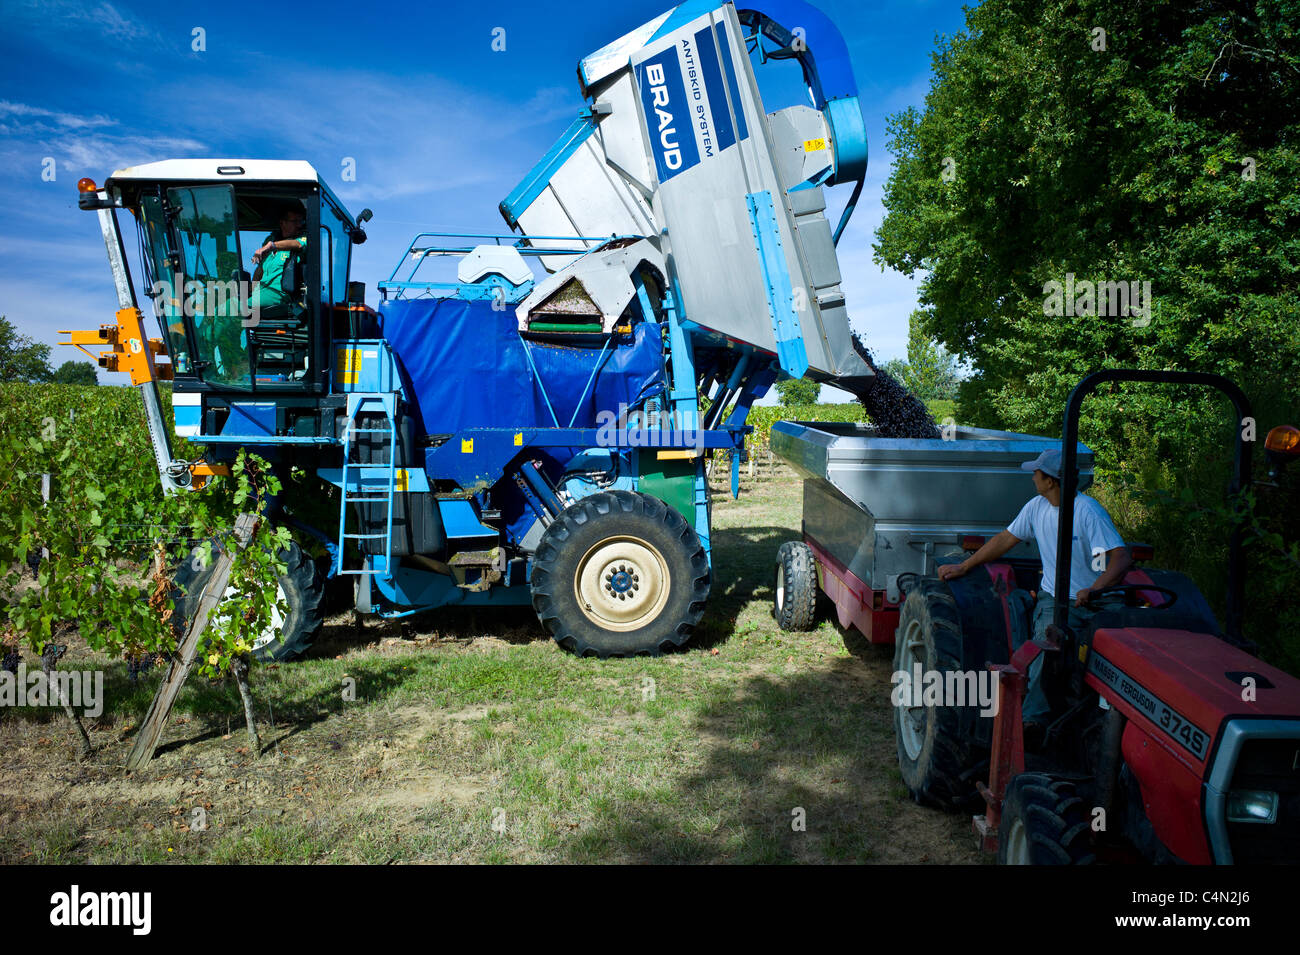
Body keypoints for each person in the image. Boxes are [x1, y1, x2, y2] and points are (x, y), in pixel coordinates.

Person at [937, 448, 1132, 733]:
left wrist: (1095, 588)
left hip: (1099, 601)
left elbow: (1121, 557)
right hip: (1055, 599)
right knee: (1041, 649)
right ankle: (1031, 723)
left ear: (1051, 480)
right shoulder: (1036, 507)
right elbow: (1006, 538)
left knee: (1116, 660)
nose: (1032, 478)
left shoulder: (1088, 511)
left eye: (1036, 473)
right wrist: (965, 566)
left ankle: (1108, 722)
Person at [249, 200, 308, 320]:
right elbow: (260, 270)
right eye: (295, 221)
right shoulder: (271, 239)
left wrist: (270, 246)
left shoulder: (304, 238)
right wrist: (250, 291)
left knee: (232, 309)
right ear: (282, 223)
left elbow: (297, 244)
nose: (299, 225)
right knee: (219, 308)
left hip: (278, 293)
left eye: (301, 221)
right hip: (261, 292)